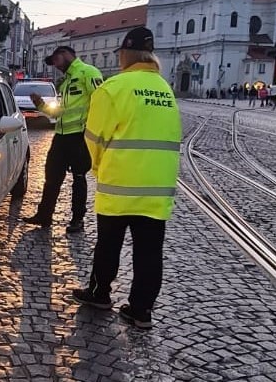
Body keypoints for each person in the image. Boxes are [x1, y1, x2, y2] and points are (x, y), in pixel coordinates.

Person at [72, 27, 182, 329]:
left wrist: (96, 168)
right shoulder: (165, 89)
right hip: (157, 186)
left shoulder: (114, 87)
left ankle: (100, 293)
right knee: (149, 252)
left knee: (108, 243)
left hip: (119, 183)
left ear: (126, 54)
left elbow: (93, 137)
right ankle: (141, 310)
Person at [24, 46, 104, 233]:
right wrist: (41, 105)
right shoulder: (66, 81)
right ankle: (44, 215)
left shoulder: (88, 73)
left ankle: (77, 219)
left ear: (66, 55)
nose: (56, 66)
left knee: (78, 178)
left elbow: (101, 102)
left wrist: (93, 129)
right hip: (61, 136)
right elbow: (60, 112)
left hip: (79, 136)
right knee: (51, 177)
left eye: (56, 61)